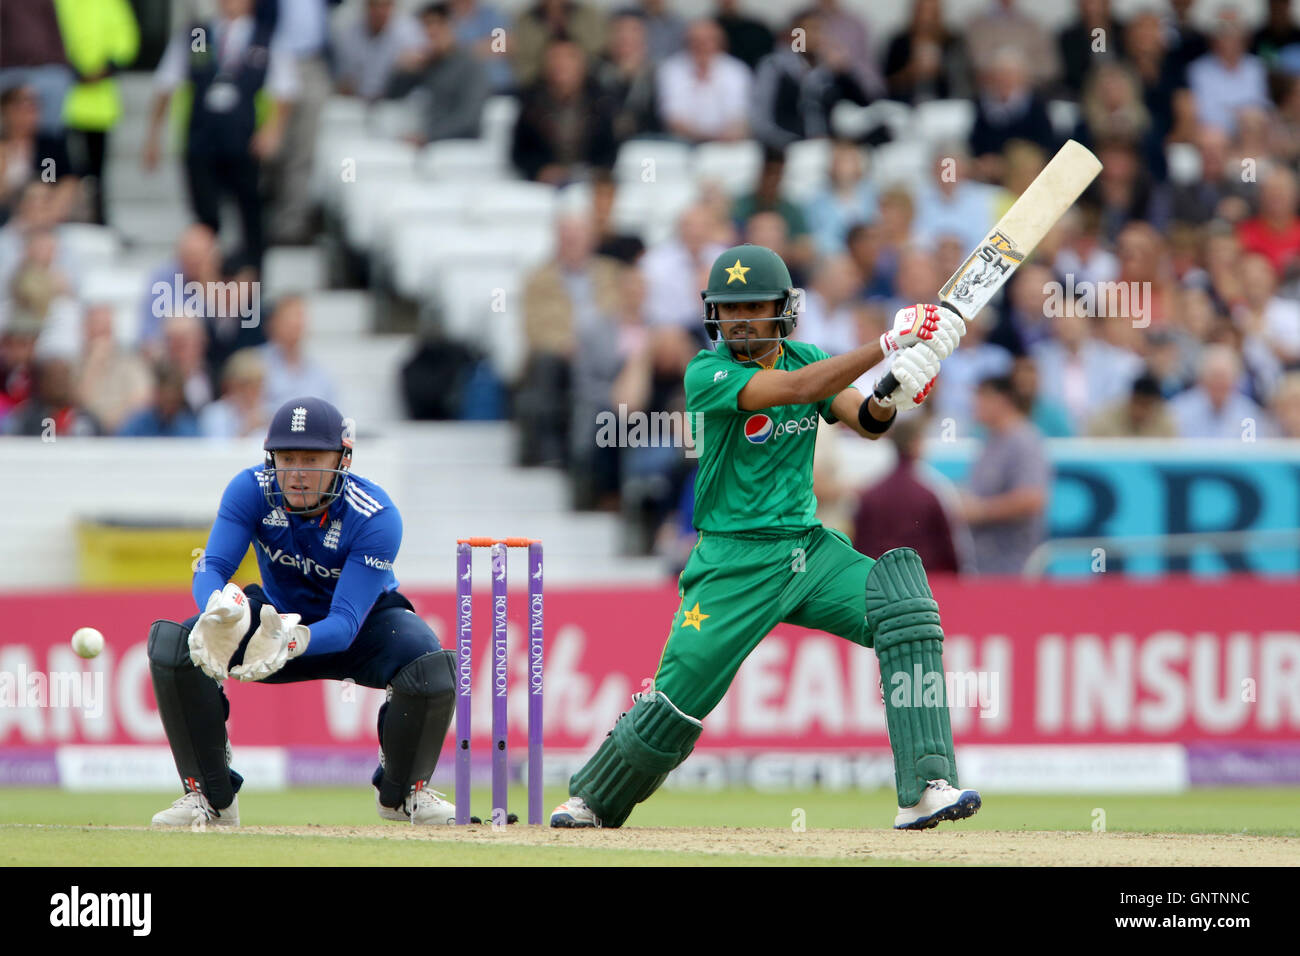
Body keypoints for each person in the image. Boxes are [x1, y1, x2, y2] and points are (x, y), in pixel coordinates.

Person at [548, 243, 982, 830]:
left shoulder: (807, 355)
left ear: (782, 307)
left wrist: (893, 390)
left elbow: (868, 423)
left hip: (806, 549)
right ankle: (594, 798)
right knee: (674, 705)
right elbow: (799, 390)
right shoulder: (709, 371)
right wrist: (886, 345)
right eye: (729, 309)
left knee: (904, 605)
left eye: (754, 306)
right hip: (732, 561)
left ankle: (926, 786)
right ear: (713, 315)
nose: (741, 319)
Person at [148, 397, 459, 827]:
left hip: (361, 627)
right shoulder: (250, 489)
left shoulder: (377, 516)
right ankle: (211, 800)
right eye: (287, 458)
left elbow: (346, 623)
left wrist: (290, 641)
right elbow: (213, 568)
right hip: (274, 619)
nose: (296, 473)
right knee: (174, 647)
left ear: (342, 460)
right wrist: (218, 612)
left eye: (312, 458)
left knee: (429, 665)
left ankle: (403, 794)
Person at [958, 374, 1050, 575]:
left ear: (1001, 400)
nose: (974, 405)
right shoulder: (991, 440)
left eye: (981, 398)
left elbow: (1033, 498)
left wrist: (981, 511)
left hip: (1012, 566)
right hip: (985, 564)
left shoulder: (1024, 440)